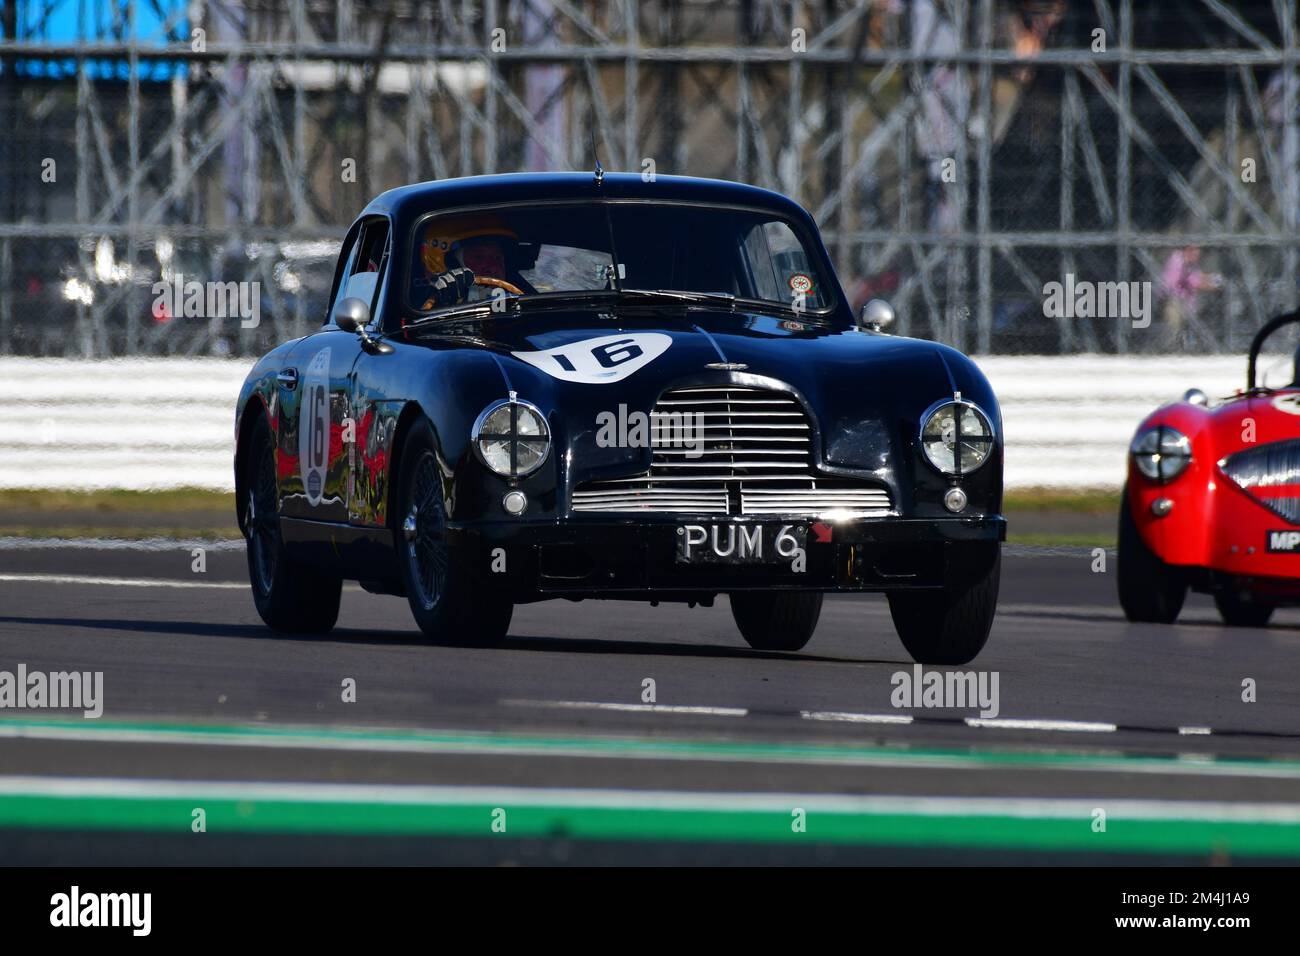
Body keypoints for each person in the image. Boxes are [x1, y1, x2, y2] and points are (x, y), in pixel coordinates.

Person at [413, 214, 525, 308]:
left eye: (497, 258)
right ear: (450, 262)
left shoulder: (521, 299)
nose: (492, 266)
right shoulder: (417, 309)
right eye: (478, 257)